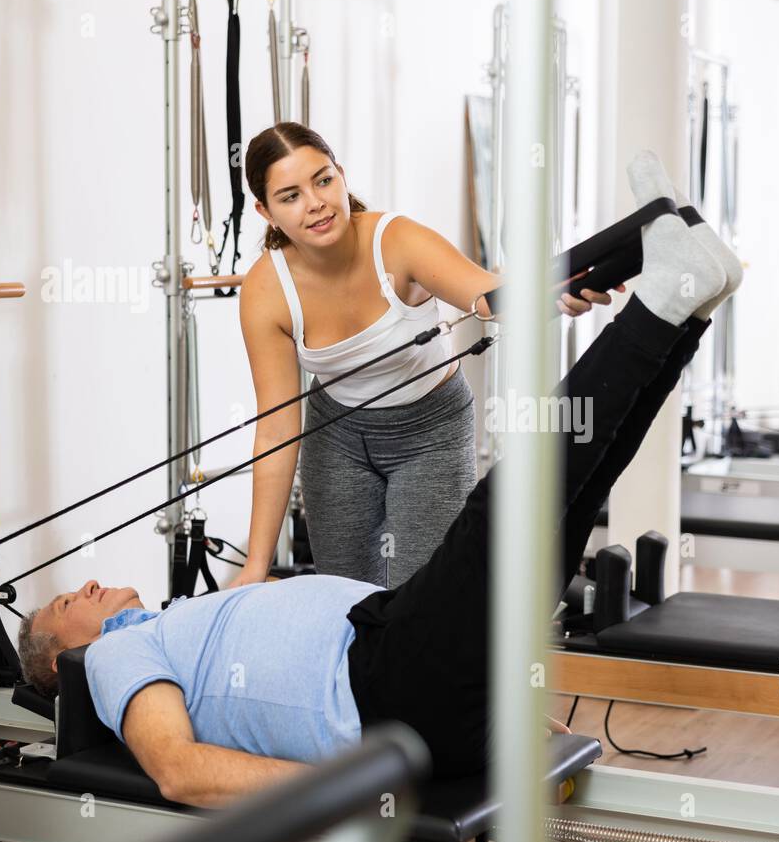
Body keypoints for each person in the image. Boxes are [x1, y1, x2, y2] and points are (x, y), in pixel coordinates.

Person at [14, 152, 744, 808]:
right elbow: (179, 771)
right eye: (61, 607)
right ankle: (665, 302)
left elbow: (486, 294)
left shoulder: (173, 622)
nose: (80, 588)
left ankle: (689, 306)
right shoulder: (112, 658)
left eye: (323, 179)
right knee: (519, 499)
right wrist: (360, 788)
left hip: (408, 666)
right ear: (63, 660)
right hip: (387, 682)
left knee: (574, 493)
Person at [232, 122, 618, 590]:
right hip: (337, 437)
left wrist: (553, 294)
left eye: (323, 179)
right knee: (346, 598)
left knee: (423, 595)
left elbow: (488, 296)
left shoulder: (394, 240)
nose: (314, 203)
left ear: (341, 175)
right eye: (290, 196)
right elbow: (276, 426)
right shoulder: (266, 290)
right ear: (266, 212)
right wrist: (255, 567)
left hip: (430, 432)